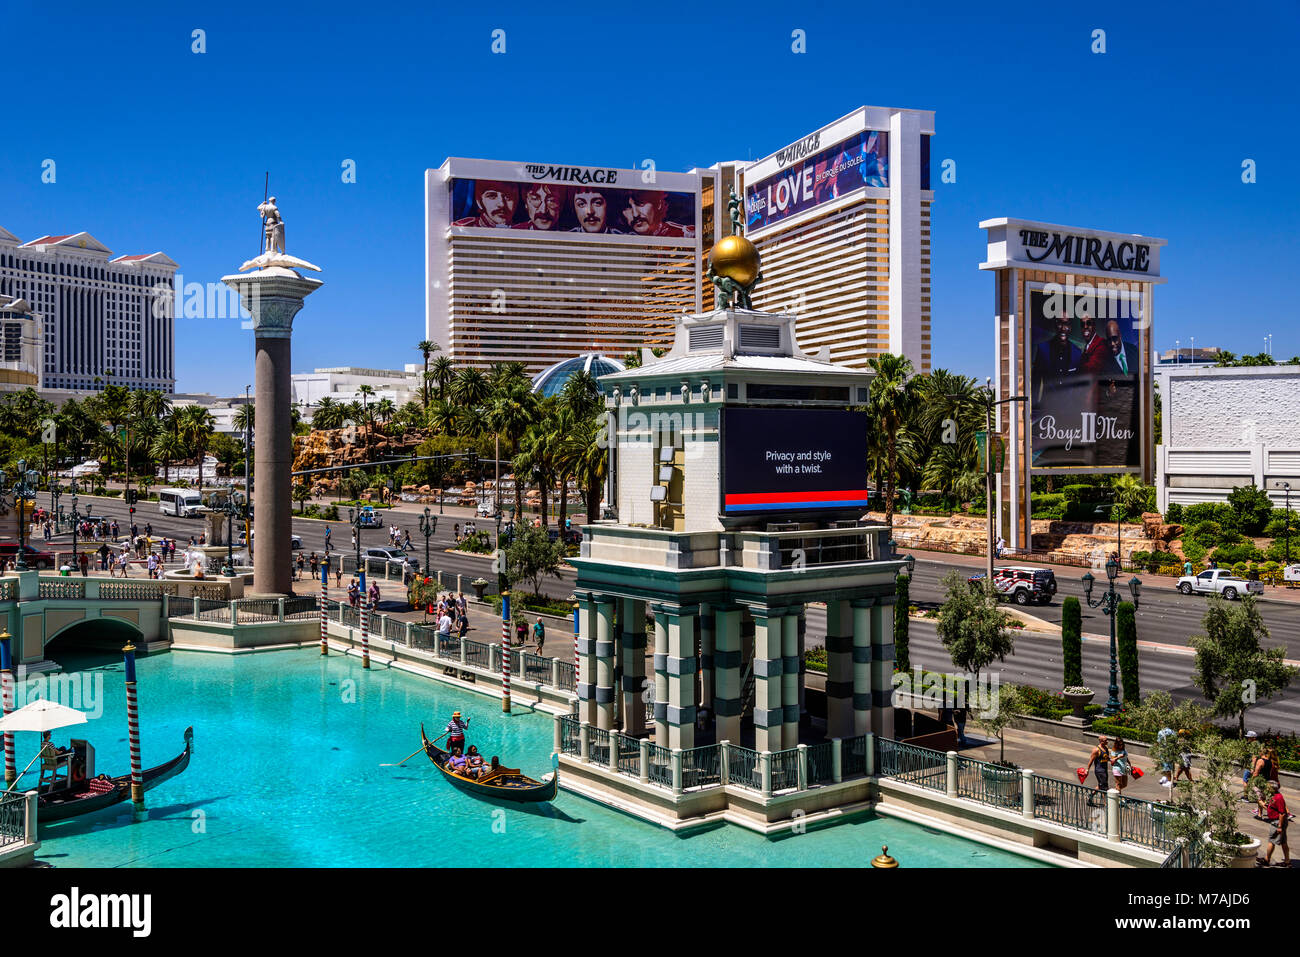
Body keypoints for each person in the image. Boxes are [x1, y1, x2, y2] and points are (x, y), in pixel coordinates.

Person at [621, 189, 693, 237]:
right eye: (627, 207)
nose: (635, 214)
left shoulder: (685, 235)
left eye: (640, 204)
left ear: (658, 204)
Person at [453, 180, 518, 228]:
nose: (501, 204)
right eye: (492, 196)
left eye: (508, 197)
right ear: (479, 202)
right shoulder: (462, 227)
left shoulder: (523, 229)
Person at [1261, 781, 1292, 868]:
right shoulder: (1273, 796)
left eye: (1267, 787)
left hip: (1277, 822)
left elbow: (1282, 813)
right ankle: (1287, 862)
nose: (1266, 788)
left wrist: (1279, 826)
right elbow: (1272, 808)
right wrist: (1262, 803)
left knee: (1271, 841)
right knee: (1283, 842)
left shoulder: (1278, 798)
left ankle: (1267, 860)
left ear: (1272, 788)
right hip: (1276, 821)